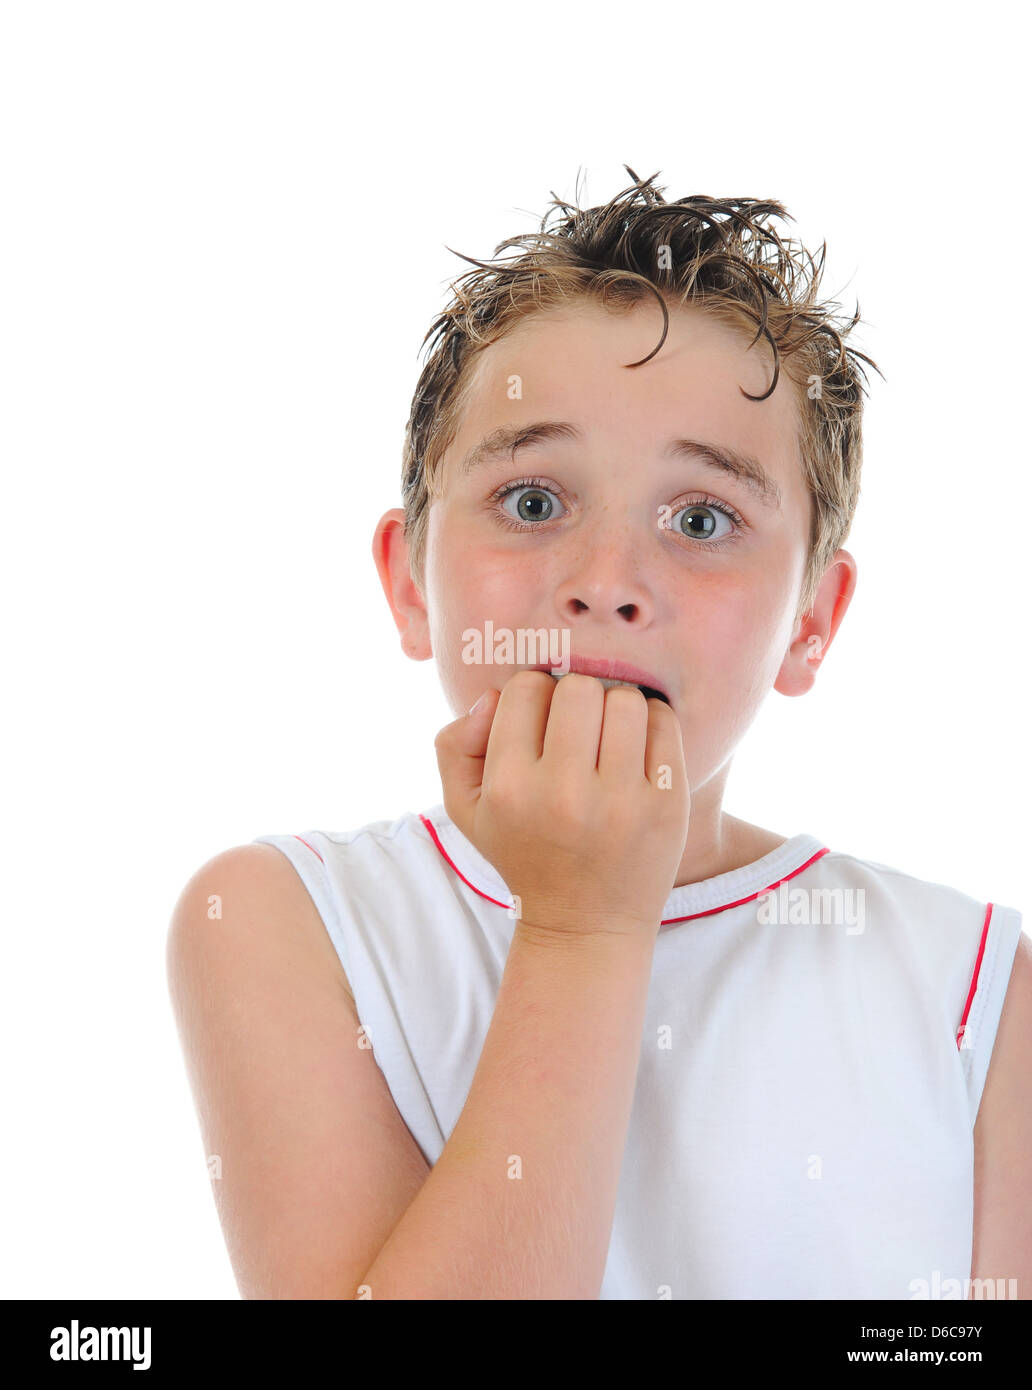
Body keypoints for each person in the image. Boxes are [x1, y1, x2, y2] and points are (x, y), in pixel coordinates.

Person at [166, 167, 1030, 1300]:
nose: (608, 584)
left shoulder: (979, 992)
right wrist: (583, 926)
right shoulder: (284, 920)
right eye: (534, 502)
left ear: (810, 624)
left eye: (703, 519)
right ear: (410, 584)